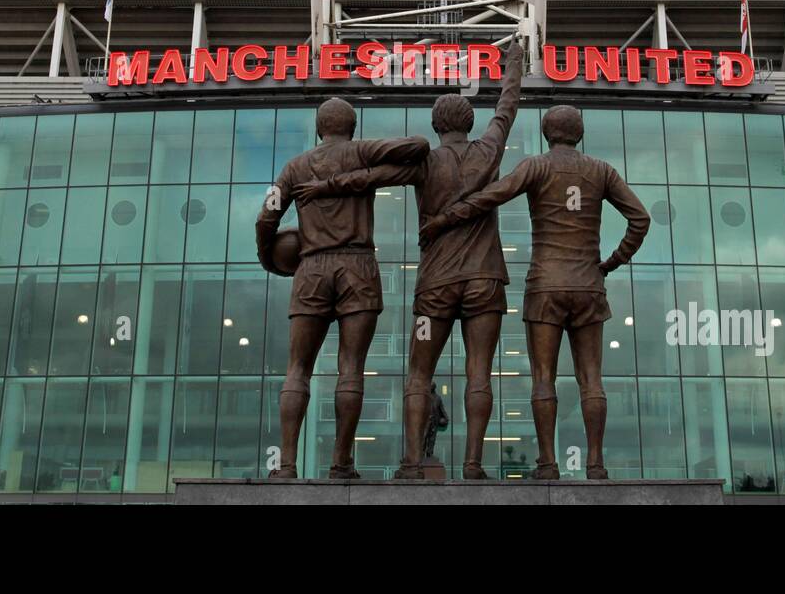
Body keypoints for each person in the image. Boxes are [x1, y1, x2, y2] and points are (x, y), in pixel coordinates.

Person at [292, 43, 525, 479]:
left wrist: (324, 187)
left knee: (420, 373)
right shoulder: (489, 149)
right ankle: (473, 465)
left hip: (435, 286)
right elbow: (507, 105)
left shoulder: (424, 162)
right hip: (485, 281)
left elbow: (371, 178)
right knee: (479, 373)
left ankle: (411, 463)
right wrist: (514, 62)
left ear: (436, 126)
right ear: (470, 122)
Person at [420, 104, 649, 480]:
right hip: (588, 284)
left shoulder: (535, 166)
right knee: (591, 379)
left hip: (545, 286)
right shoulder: (601, 170)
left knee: (544, 378)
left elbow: (490, 196)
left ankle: (548, 463)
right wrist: (611, 262)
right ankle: (595, 464)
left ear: (546, 133)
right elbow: (640, 218)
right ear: (580, 133)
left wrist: (444, 218)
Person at [256, 98, 429, 479]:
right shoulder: (361, 152)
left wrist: (269, 258)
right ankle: (341, 463)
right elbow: (418, 145)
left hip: (312, 268)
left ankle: (286, 465)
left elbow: (266, 215)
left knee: (297, 368)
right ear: (351, 127)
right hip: (357, 266)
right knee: (351, 367)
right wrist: (370, 166)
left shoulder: (295, 167)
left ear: (320, 129)